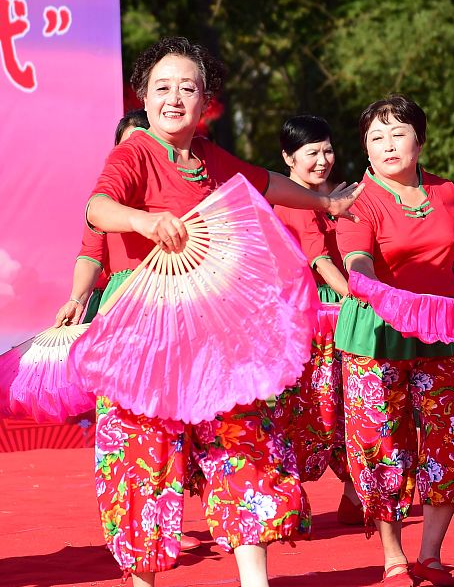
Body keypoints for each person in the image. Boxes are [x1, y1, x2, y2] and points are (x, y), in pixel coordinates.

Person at [85, 37, 363, 587]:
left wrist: (327, 202)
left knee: (242, 436)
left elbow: (267, 183)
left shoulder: (210, 156)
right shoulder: (134, 152)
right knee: (144, 453)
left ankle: (253, 579)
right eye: (161, 87)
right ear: (143, 95)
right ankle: (142, 581)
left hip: (214, 320)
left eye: (187, 87)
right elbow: (97, 207)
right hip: (146, 325)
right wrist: (145, 222)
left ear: (205, 98)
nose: (173, 98)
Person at [335, 95, 454, 587]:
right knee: (381, 446)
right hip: (376, 335)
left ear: (420, 139)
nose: (388, 145)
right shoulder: (357, 199)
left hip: (440, 333)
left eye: (398, 133)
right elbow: (357, 262)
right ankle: (393, 556)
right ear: (365, 149)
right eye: (376, 137)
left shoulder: (446, 193)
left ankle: (430, 554)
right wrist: (370, 284)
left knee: (447, 441)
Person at [270, 115, 360, 519]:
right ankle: (289, 498)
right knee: (310, 406)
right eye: (312, 152)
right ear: (288, 158)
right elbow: (321, 262)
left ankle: (354, 494)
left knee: (340, 402)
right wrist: (361, 299)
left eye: (327, 150)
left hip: (327, 308)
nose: (323, 159)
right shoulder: (294, 200)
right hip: (310, 313)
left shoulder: (324, 197)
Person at [55, 109, 149, 328]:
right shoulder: (104, 202)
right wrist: (76, 300)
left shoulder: (174, 187)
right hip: (118, 304)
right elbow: (91, 254)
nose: (133, 153)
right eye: (126, 146)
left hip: (168, 295)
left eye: (142, 145)